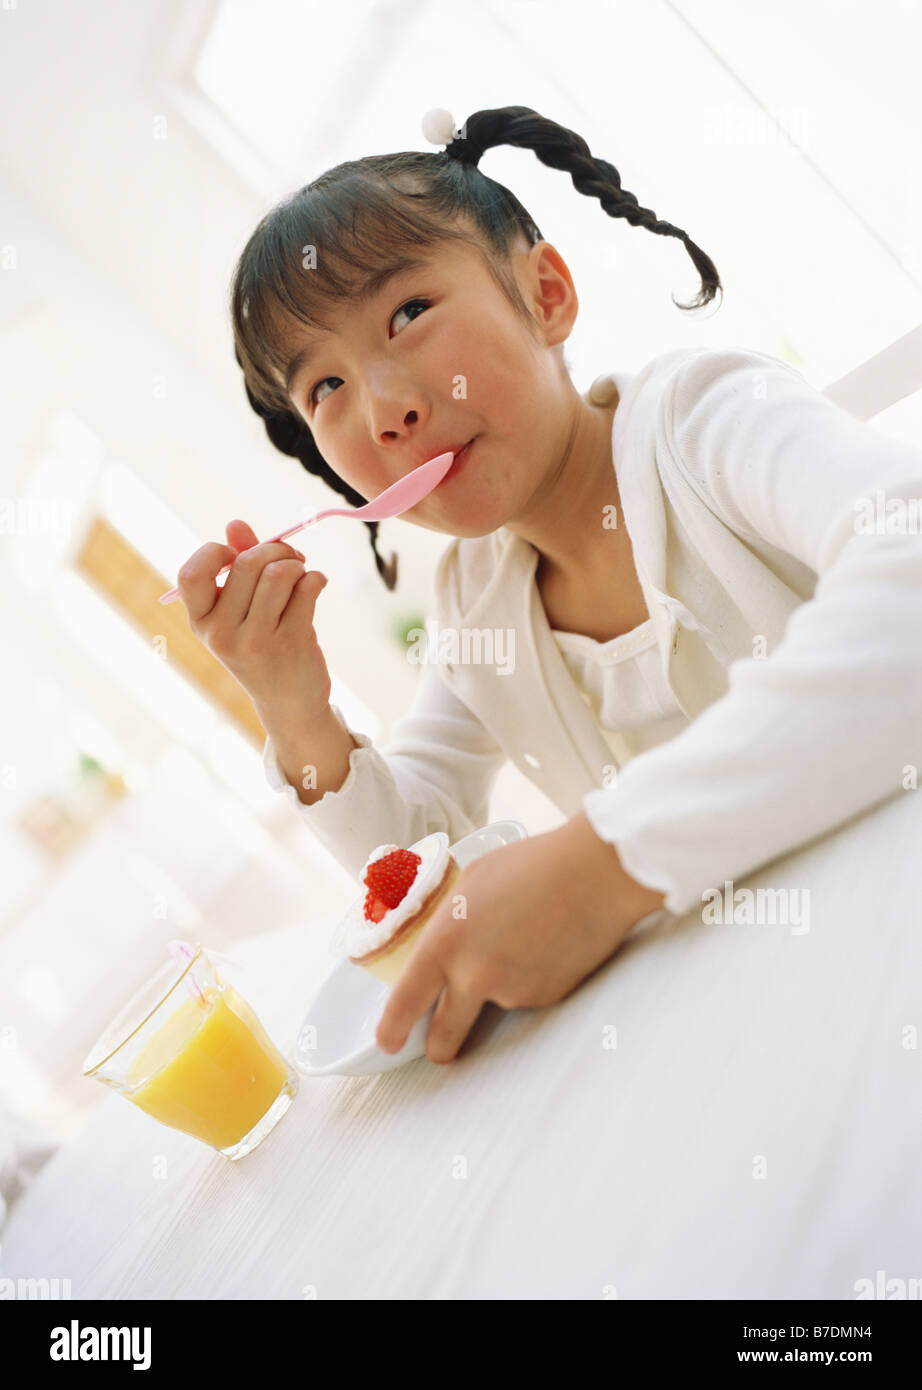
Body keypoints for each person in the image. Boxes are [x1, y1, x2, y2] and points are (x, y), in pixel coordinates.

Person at [175, 105, 922, 1066]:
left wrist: (605, 862)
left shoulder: (703, 419)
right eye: (324, 388)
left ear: (547, 294)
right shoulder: (475, 600)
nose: (389, 408)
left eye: (409, 313)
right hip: (779, 1023)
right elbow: (410, 857)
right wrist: (294, 709)